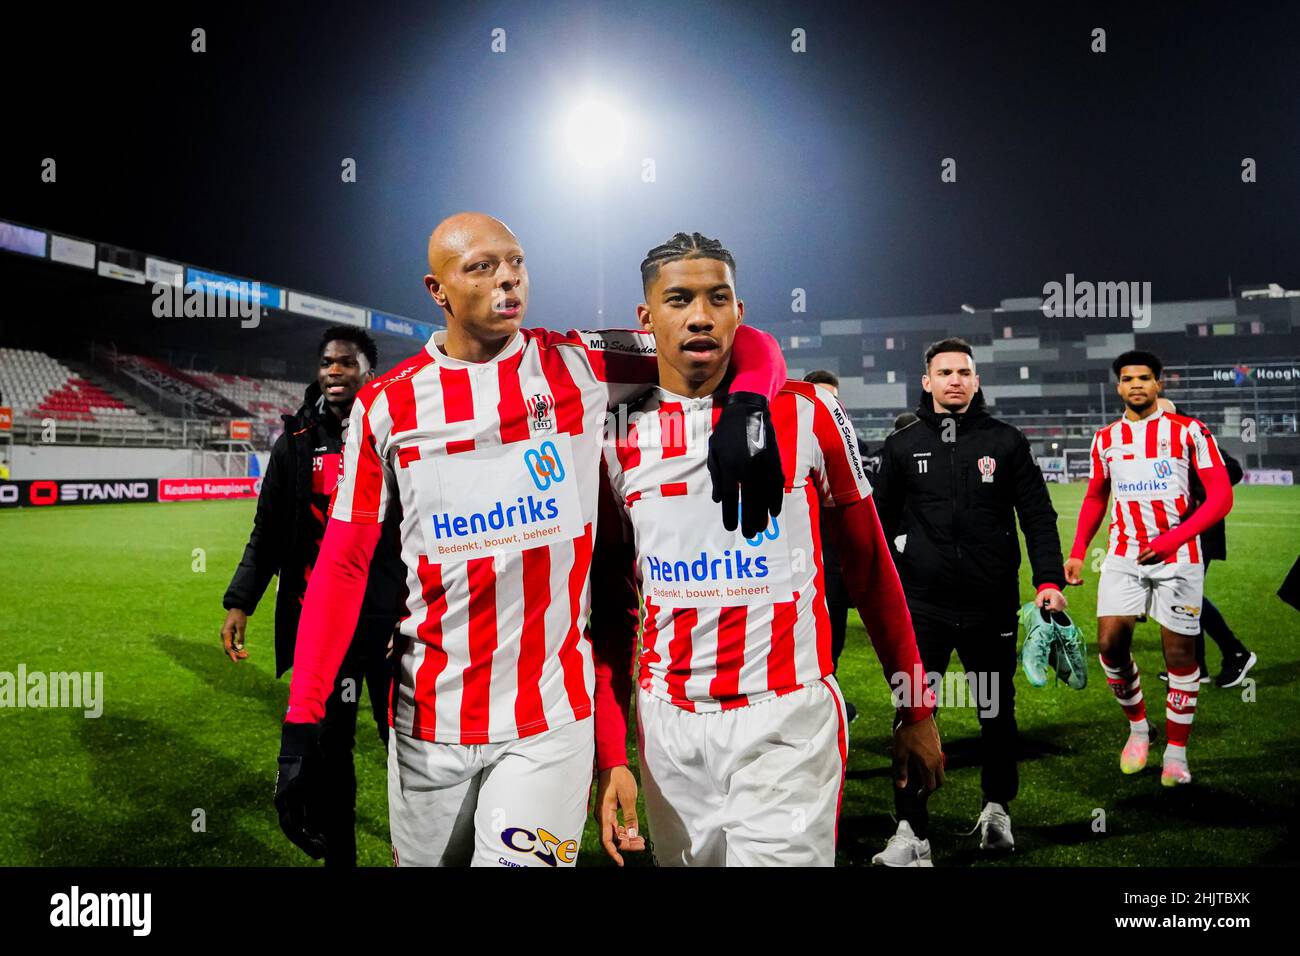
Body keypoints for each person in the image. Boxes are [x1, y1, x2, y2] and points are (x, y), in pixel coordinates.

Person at [273, 213, 788, 867]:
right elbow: (343, 565)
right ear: (437, 290)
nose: (507, 277)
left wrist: (747, 407)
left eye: (514, 261)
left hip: (549, 724)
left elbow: (741, 340)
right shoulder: (387, 404)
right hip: (428, 725)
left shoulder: (577, 362)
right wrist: (302, 723)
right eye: (481, 266)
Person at [590, 233, 942, 866]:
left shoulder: (808, 410)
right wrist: (613, 752)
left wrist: (914, 705)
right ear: (646, 320)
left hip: (787, 717)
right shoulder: (616, 436)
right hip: (668, 725)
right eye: (679, 299)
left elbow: (869, 566)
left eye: (717, 298)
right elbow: (611, 610)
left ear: (739, 311)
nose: (700, 315)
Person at [870, 337, 1068, 864]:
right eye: (945, 372)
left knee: (996, 711)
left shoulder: (1006, 441)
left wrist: (1048, 579)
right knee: (911, 714)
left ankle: (996, 808)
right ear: (927, 382)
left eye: (964, 372)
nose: (955, 380)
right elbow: (877, 527)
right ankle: (912, 833)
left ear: (976, 381)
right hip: (923, 607)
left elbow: (1037, 516)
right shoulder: (901, 445)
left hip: (990, 604)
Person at [221, 326, 403, 867]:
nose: (334, 372)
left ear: (370, 371)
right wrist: (241, 601)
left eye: (347, 363)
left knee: (408, 747)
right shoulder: (295, 442)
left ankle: (421, 849)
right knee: (330, 753)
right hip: (325, 627)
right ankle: (339, 859)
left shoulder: (397, 434)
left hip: (395, 625)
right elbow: (269, 530)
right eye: (327, 363)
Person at [1065, 350, 1233, 787]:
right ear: (1118, 387)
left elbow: (1220, 497)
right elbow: (1096, 496)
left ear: (1159, 384)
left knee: (1180, 656)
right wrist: (1079, 549)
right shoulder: (1105, 439)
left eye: (1144, 378)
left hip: (1179, 558)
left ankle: (1176, 754)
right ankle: (1140, 729)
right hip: (1123, 555)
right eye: (1127, 378)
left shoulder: (1189, 431)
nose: (1135, 384)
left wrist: (1172, 540)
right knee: (1109, 646)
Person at [1152, 399, 1255, 688]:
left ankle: (1236, 652)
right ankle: (1196, 667)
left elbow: (1233, 469)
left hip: (1200, 530)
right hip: (1178, 531)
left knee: (1188, 597)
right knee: (1183, 596)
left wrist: (1196, 491)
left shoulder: (1194, 433)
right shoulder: (1162, 437)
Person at [801, 370, 856, 723]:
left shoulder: (850, 446)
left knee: (831, 642)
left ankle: (828, 705)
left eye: (834, 399)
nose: (828, 405)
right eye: (821, 397)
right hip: (796, 568)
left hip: (834, 567)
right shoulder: (783, 445)